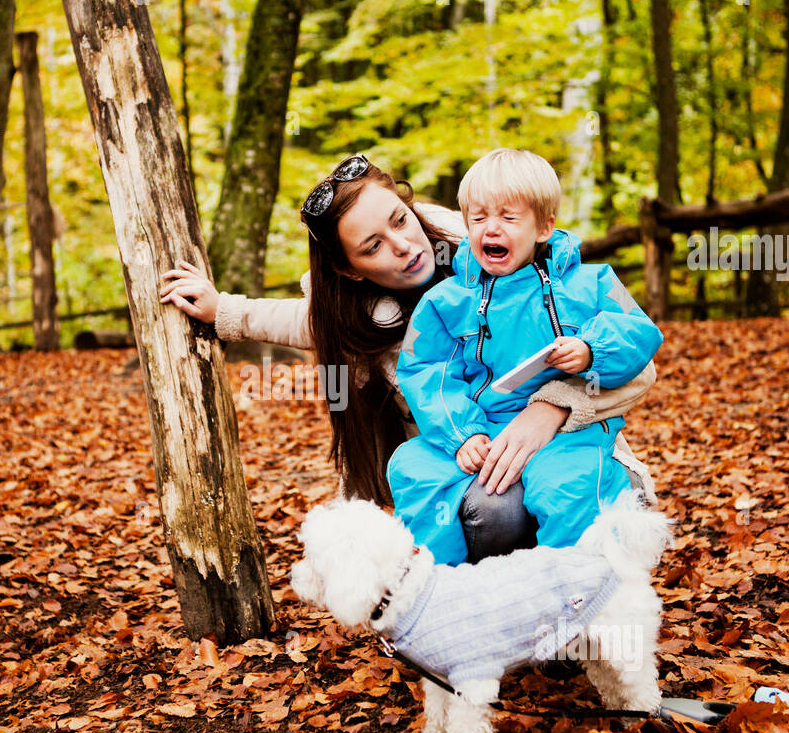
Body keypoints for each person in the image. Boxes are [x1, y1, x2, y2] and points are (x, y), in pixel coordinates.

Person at [159, 153, 658, 563]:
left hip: (569, 452)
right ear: (350, 270)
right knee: (486, 503)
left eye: (400, 220)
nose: (403, 247)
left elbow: (636, 359)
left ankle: (564, 603)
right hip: (469, 460)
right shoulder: (361, 323)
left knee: (545, 495)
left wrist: (549, 408)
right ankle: (457, 604)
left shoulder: (504, 251)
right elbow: (298, 321)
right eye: (373, 246)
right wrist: (222, 310)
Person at [389, 148, 663, 566]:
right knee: (411, 465)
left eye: (507, 217)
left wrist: (591, 350)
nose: (490, 229)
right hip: (482, 429)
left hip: (567, 431)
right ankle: (437, 588)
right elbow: (427, 372)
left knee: (568, 485)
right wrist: (463, 434)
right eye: (478, 218)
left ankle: (574, 590)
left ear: (544, 226)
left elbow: (638, 332)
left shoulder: (589, 283)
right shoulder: (446, 301)